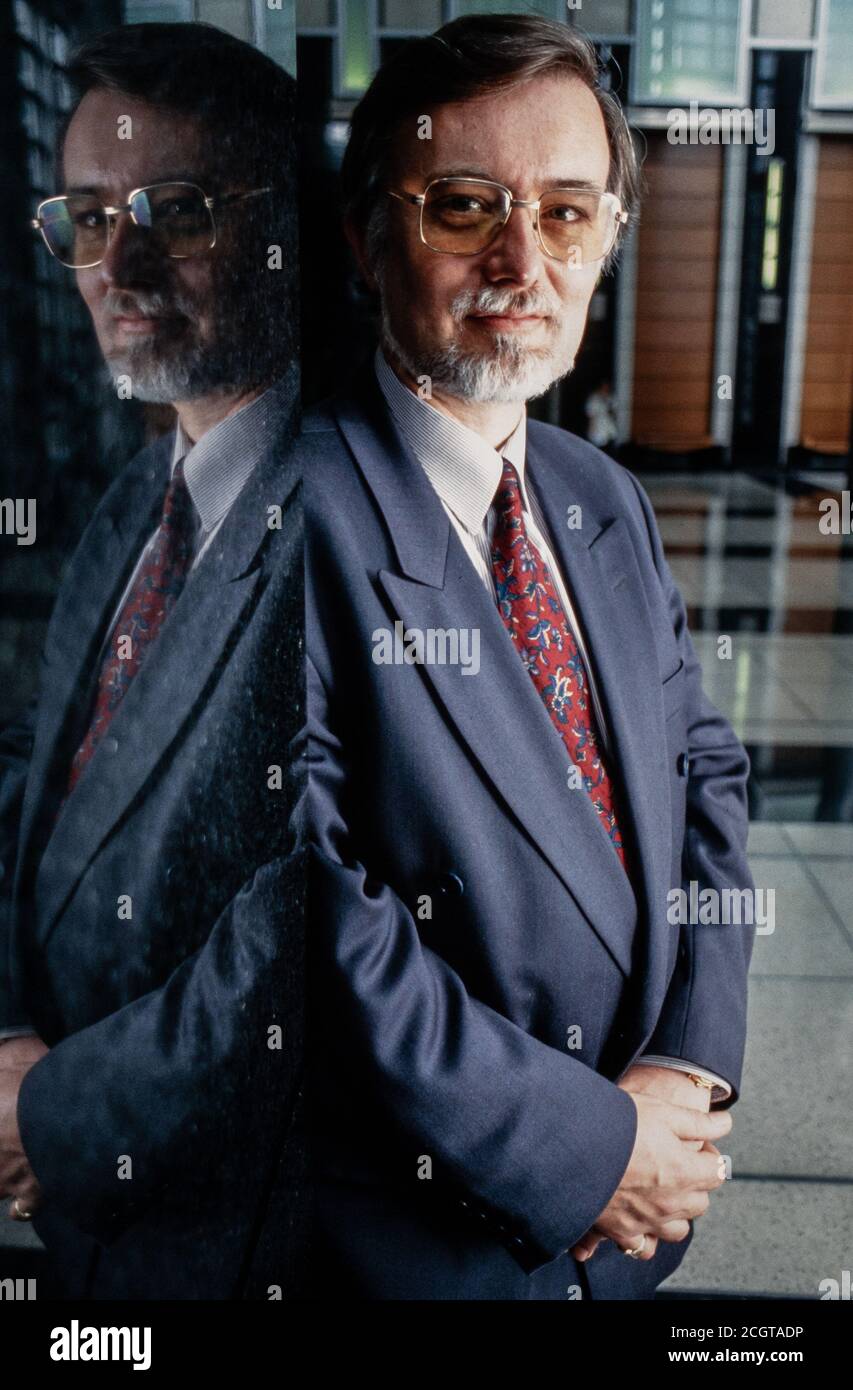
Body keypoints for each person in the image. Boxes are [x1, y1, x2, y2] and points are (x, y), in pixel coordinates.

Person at [303, 14, 754, 1300]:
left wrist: (682, 1067)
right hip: (407, 1252)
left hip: (625, 1227)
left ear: (607, 236)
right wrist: (592, 1146)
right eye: (463, 207)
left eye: (566, 212)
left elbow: (706, 776)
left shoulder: (598, 495)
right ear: (363, 233)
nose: (522, 259)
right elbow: (302, 923)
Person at [0, 23, 306, 1299]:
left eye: (174, 212)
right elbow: (38, 786)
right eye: (85, 215)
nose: (115, 262)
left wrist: (47, 1106)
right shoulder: (139, 497)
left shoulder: (349, 512)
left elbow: (311, 931)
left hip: (240, 1235)